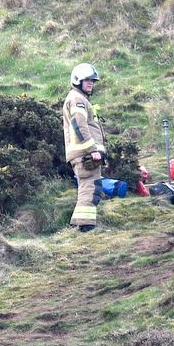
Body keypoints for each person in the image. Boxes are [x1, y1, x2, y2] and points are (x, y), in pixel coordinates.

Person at [61, 63, 107, 232]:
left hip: (80, 152)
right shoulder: (77, 99)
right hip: (84, 153)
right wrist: (93, 150)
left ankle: (77, 224)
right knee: (91, 187)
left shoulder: (78, 98)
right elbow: (79, 125)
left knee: (86, 187)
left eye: (92, 81)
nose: (91, 84)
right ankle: (85, 227)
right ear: (77, 80)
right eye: (87, 80)